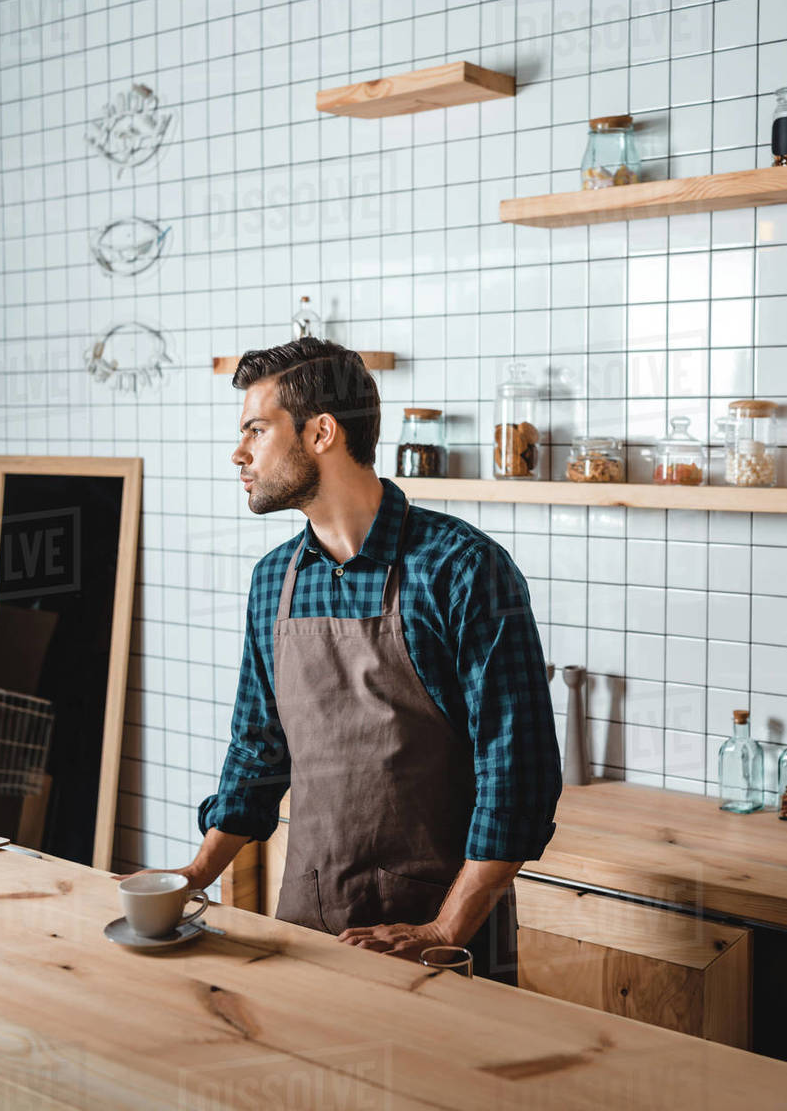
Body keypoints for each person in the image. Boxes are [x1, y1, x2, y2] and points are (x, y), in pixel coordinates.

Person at [185, 338, 560, 984]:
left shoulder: (461, 569)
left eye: (255, 428)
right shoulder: (274, 579)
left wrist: (443, 932)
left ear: (322, 432)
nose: (238, 452)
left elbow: (516, 780)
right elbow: (257, 750)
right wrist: (191, 876)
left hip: (441, 938)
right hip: (305, 920)